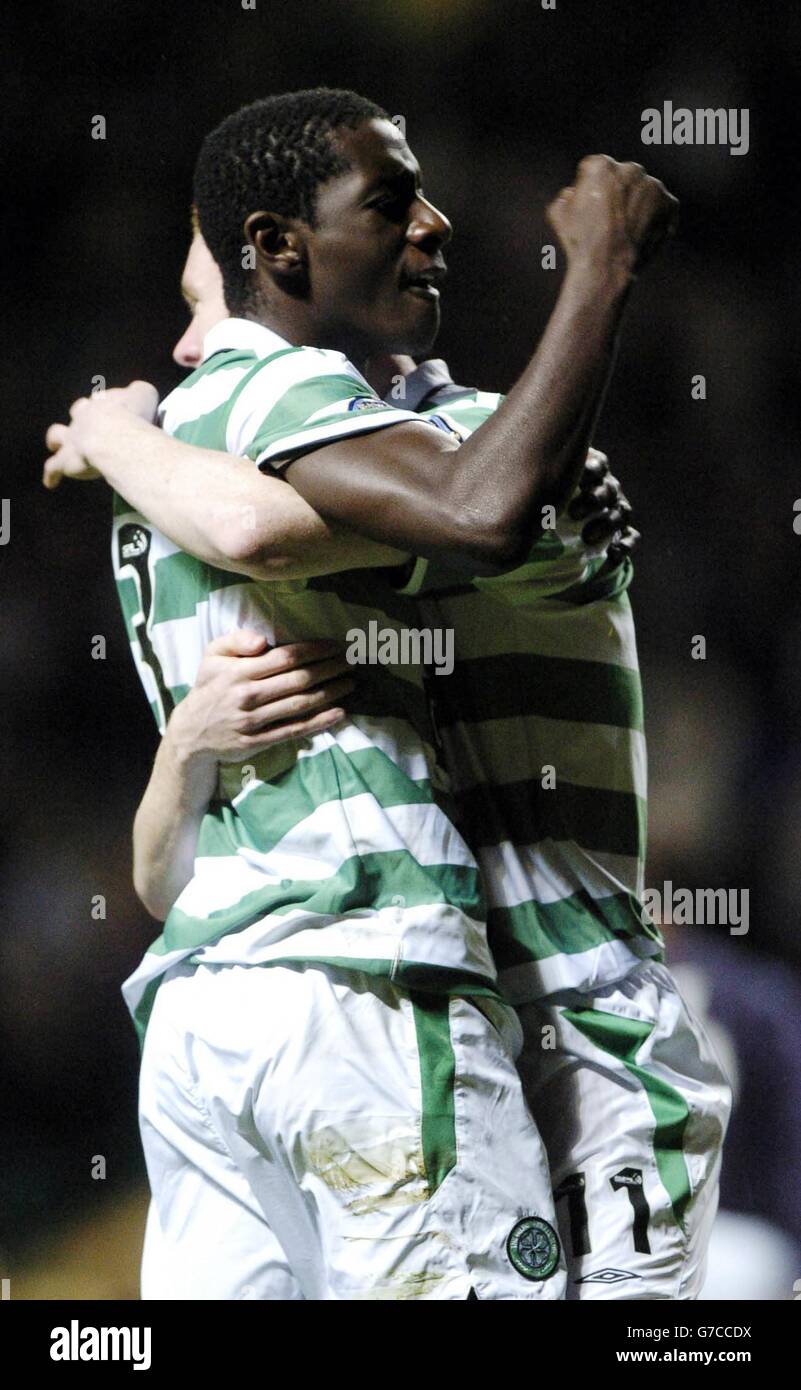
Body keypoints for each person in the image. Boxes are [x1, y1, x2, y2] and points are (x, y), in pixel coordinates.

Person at [46, 89, 728, 1300]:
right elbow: (379, 513)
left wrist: (121, 436)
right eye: (194, 312)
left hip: (277, 1008)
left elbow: (316, 521)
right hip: (408, 989)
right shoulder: (290, 415)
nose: (190, 353)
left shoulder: (440, 447)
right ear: (272, 259)